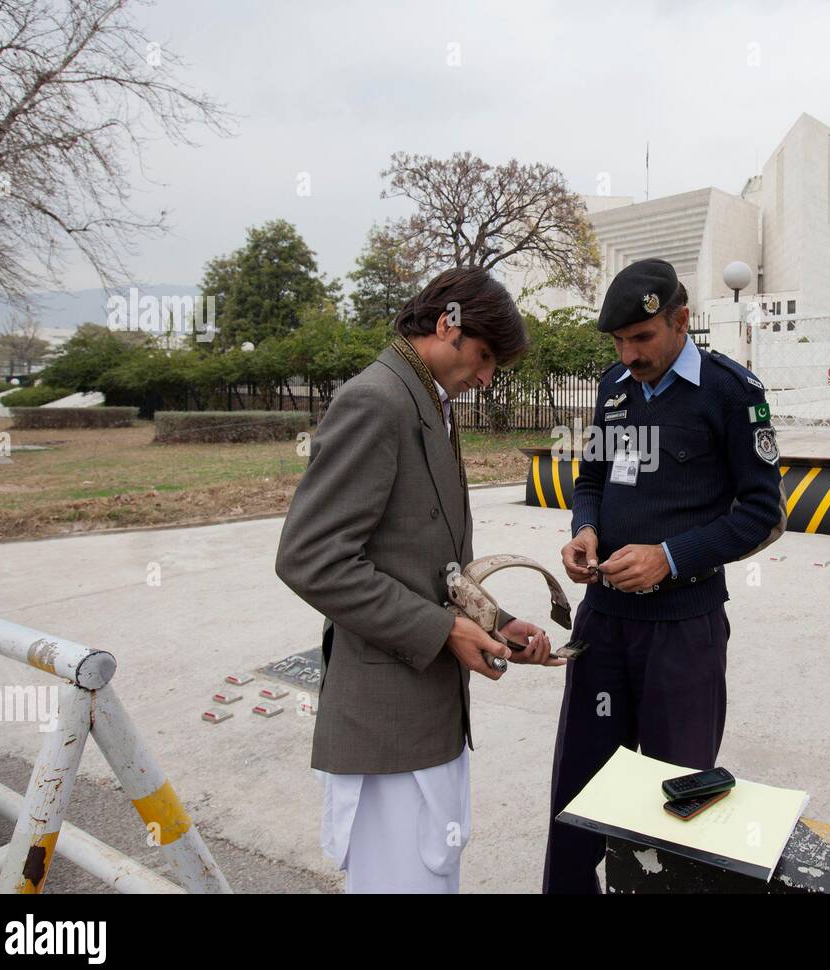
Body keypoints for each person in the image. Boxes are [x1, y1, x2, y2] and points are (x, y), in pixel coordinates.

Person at [275, 267, 562, 894]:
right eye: (484, 357)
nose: (487, 377)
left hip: (429, 710)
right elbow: (311, 558)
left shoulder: (425, 400)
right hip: (388, 724)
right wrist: (441, 630)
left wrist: (494, 621)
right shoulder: (377, 400)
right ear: (445, 326)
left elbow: (432, 565)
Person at [544, 257, 786, 893]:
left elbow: (763, 515)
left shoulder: (734, 394)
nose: (629, 353)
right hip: (604, 626)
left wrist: (670, 556)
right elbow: (591, 479)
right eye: (619, 342)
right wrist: (584, 529)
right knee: (579, 789)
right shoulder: (613, 388)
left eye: (642, 338)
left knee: (677, 798)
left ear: (682, 320)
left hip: (683, 629)